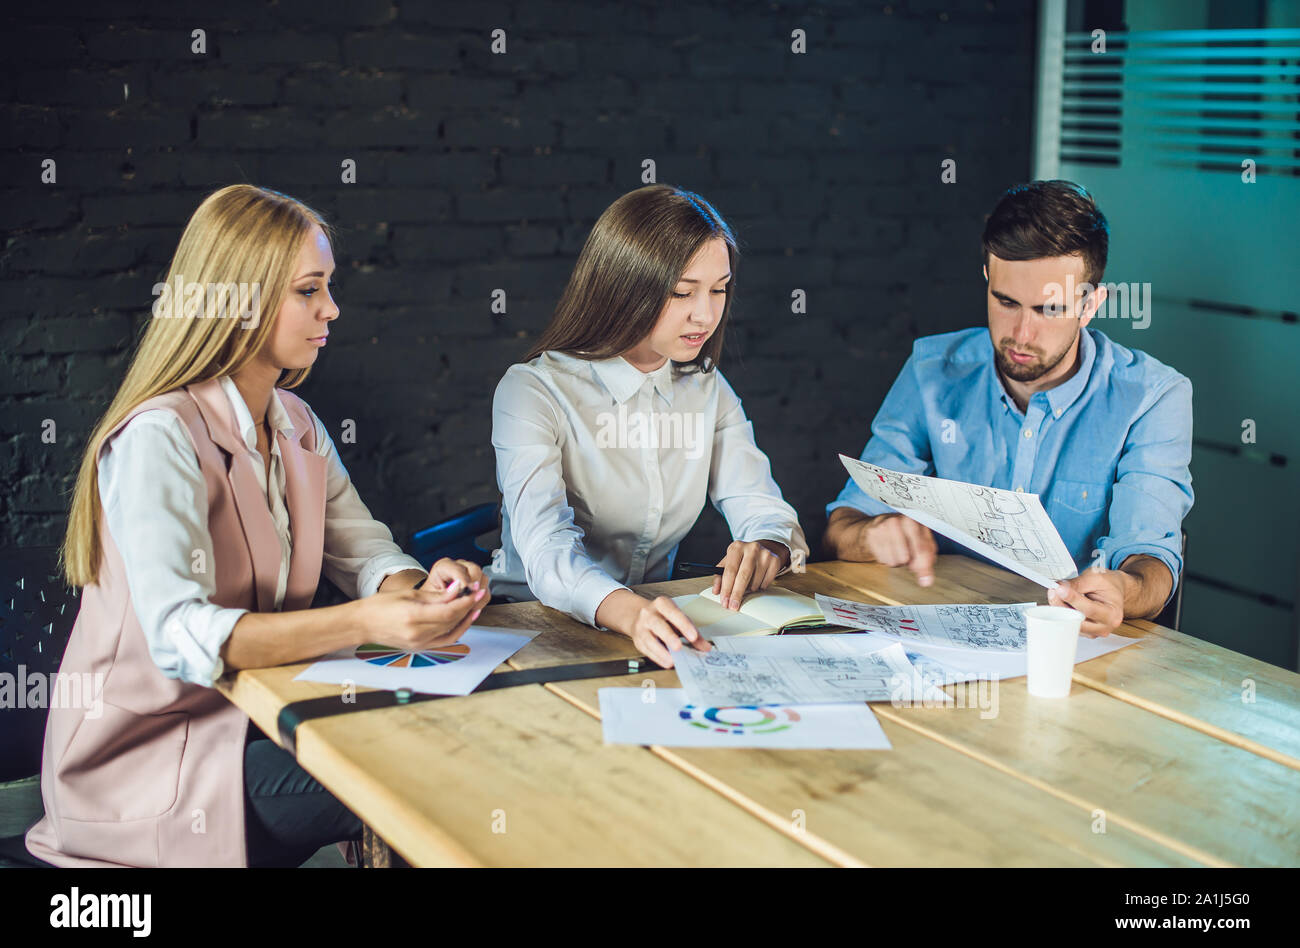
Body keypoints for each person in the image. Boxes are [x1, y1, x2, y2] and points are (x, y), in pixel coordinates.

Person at [26, 185, 490, 868]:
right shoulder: (160, 437)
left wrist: (424, 587)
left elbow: (365, 552)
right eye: (310, 289)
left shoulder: (298, 424)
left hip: (252, 723)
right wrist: (369, 621)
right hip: (156, 766)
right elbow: (181, 638)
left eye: (327, 286)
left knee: (447, 739)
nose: (331, 308)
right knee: (414, 776)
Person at [823, 180, 1192, 636]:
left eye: (1048, 309)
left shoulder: (1152, 396)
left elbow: (1151, 561)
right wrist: (872, 534)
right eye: (1005, 302)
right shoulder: (934, 370)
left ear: (1090, 305)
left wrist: (1124, 589)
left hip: (1071, 644)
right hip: (942, 632)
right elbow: (844, 523)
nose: (1022, 333)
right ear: (987, 280)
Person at [490, 184, 809, 667]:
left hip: (656, 623)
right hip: (530, 624)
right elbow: (546, 551)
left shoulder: (706, 387)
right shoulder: (532, 391)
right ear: (625, 287)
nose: (705, 314)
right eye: (682, 292)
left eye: (719, 290)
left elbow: (761, 504)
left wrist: (767, 545)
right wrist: (631, 612)